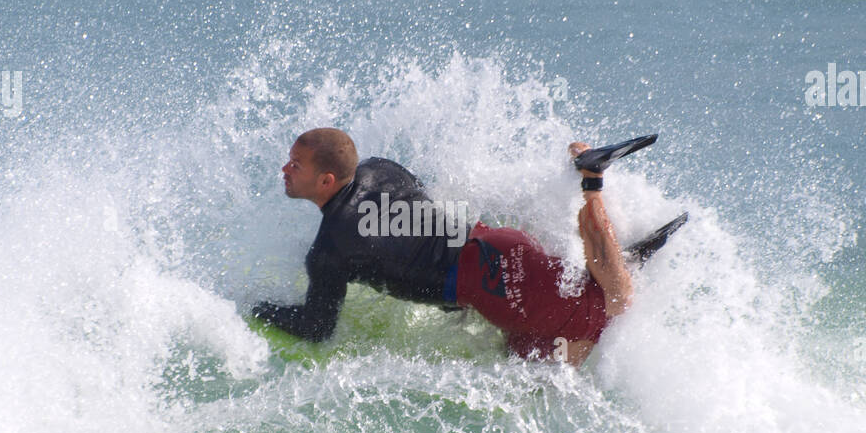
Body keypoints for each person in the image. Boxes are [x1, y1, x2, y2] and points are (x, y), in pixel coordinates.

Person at [251, 127, 634, 366]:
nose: (284, 170)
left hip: (489, 282)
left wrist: (254, 309)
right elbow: (422, 201)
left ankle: (591, 180)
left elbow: (317, 328)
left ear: (326, 180)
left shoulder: (330, 250)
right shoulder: (378, 168)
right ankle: (589, 182)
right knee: (531, 359)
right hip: (491, 244)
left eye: (295, 165)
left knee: (614, 303)